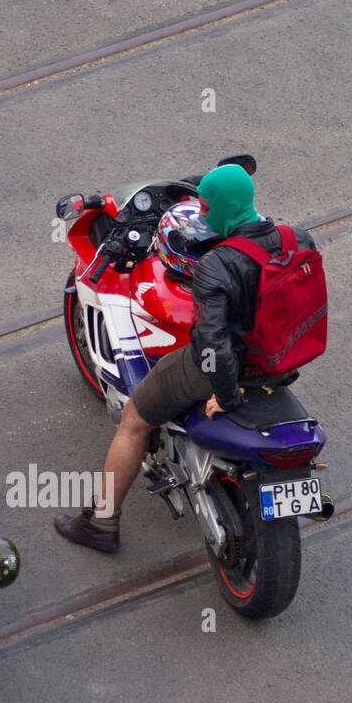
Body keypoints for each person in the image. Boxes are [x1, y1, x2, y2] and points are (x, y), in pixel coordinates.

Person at [54, 162, 316, 552]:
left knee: (134, 420)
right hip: (281, 354)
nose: (204, 216)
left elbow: (212, 342)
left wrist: (226, 397)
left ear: (226, 208)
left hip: (226, 365)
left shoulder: (217, 263)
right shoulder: (295, 237)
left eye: (207, 209)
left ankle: (101, 523)